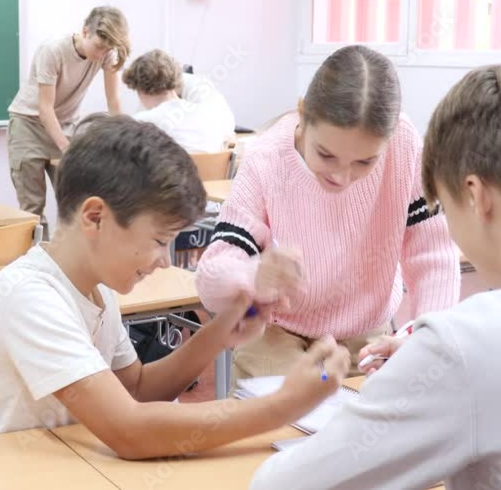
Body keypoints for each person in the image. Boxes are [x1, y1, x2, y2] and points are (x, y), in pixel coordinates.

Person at [251, 62, 501, 490]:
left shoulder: (467, 345)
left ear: (475, 195)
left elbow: (283, 486)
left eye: (442, 205)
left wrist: (423, 372)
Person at [0, 116, 351, 459]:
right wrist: (282, 407)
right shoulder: (31, 297)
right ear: (94, 218)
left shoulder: (95, 288)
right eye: (157, 242)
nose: (165, 261)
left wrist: (219, 332)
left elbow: (134, 388)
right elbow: (129, 432)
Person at [196, 45, 460, 382]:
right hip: (276, 333)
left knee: (382, 425)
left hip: (366, 333)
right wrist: (253, 275)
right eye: (326, 154)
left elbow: (433, 254)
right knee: (276, 428)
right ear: (303, 115)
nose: (342, 176)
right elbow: (209, 281)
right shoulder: (266, 158)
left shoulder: (405, 144)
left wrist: (425, 337)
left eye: (365, 162)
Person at [6, 6, 130, 226]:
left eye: (107, 49)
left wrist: (123, 141)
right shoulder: (52, 50)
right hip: (29, 126)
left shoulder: (107, 54)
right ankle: (39, 257)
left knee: (76, 205)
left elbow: (114, 101)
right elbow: (45, 108)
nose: (101, 54)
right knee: (32, 209)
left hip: (66, 125)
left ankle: (69, 259)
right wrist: (67, 148)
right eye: (99, 47)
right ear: (84, 31)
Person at [123, 49, 235, 153]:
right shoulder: (212, 116)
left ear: (140, 89)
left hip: (170, 174)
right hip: (213, 173)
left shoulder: (141, 122)